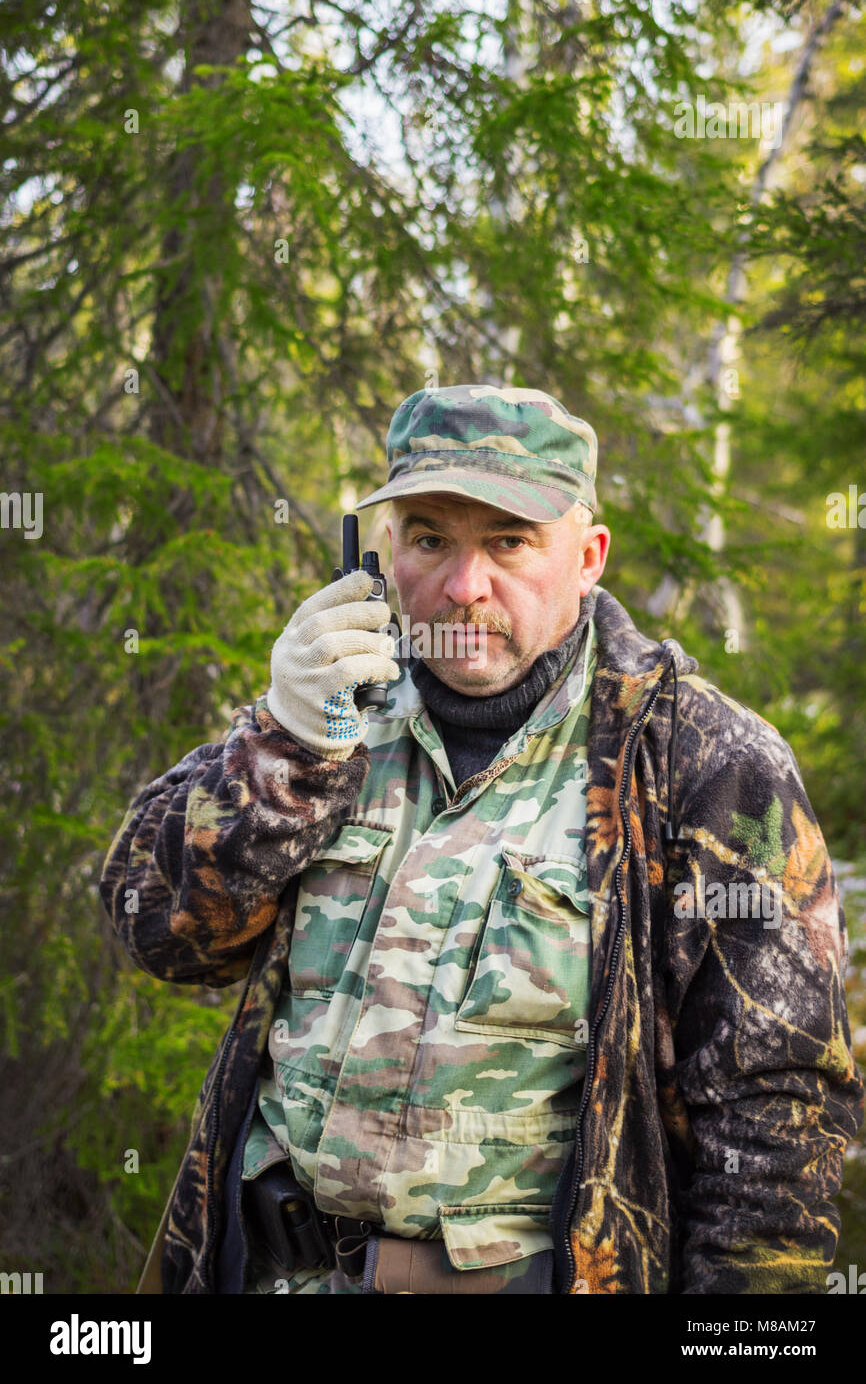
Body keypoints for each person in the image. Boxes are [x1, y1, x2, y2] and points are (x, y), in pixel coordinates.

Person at [100, 384, 864, 1295]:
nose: (465, 586)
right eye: (430, 539)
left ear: (587, 558)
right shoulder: (332, 709)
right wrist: (284, 743)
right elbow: (159, 932)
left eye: (509, 541)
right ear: (384, 554)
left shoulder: (701, 762)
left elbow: (777, 1117)